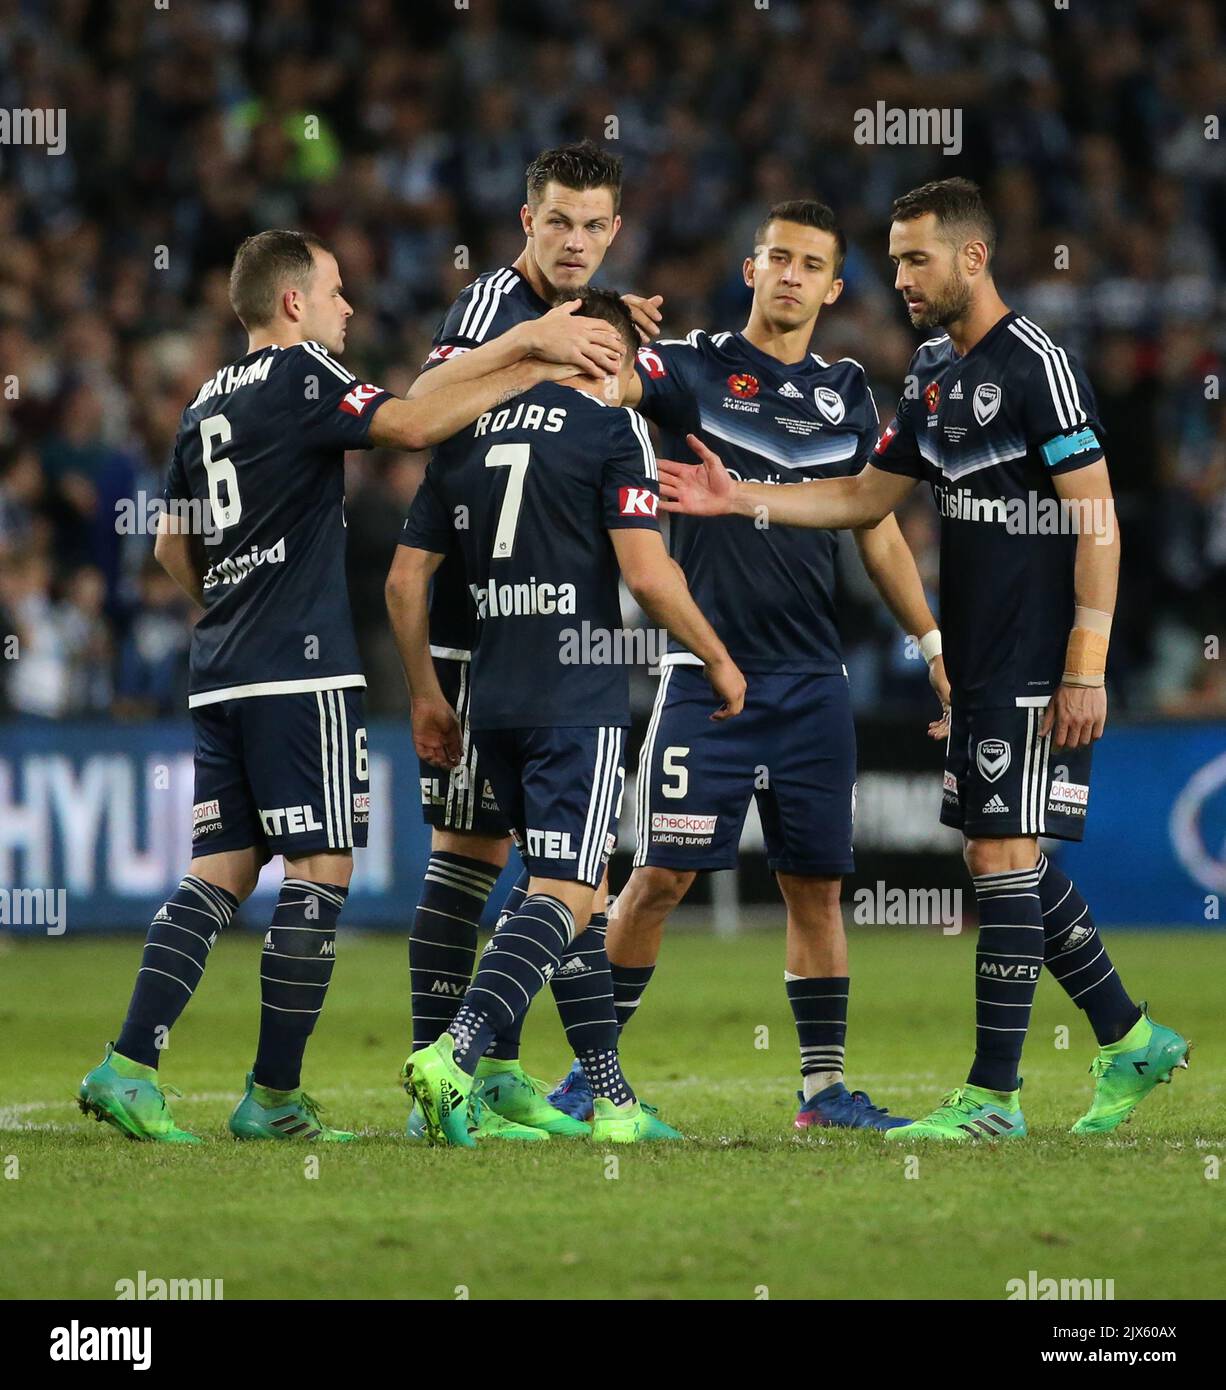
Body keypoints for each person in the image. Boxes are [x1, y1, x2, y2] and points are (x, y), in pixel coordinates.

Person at [656, 179, 1189, 1142]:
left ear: (972, 259)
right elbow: (863, 499)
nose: (897, 277)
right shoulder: (935, 372)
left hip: (1036, 654)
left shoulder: (1036, 365)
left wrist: (1086, 657)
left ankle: (994, 1097)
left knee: (997, 857)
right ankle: (1128, 1035)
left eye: (914, 259)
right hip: (979, 657)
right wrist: (744, 499)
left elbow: (1098, 515)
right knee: (1010, 852)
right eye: (893, 258)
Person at [77, 229, 569, 1143]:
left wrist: (232, 603)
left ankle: (129, 1064)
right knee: (320, 872)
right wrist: (527, 358)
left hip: (220, 671)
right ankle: (272, 1099)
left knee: (218, 871)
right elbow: (417, 424)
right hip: (299, 671)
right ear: (294, 304)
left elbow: (169, 549)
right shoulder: (303, 374)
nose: (349, 307)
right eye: (338, 291)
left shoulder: (202, 404)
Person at [550, 200, 945, 1132]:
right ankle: (588, 1078)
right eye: (778, 258)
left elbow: (875, 525)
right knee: (659, 881)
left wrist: (931, 642)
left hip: (814, 681)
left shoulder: (846, 391)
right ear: (751, 269)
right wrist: (596, 324)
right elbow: (607, 373)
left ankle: (821, 1095)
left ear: (834, 287)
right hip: (707, 675)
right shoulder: (691, 369)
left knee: (816, 886)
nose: (793, 275)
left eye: (812, 263)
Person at [388, 288, 744, 1145]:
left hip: (493, 697)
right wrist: (721, 657)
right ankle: (455, 1054)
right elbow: (650, 576)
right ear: (607, 358)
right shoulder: (612, 429)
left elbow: (404, 583)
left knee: (567, 897)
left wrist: (427, 693)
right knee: (567, 891)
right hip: (575, 699)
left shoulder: (464, 429)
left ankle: (614, 1103)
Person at [397, 139, 668, 1137]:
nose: (576, 241)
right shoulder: (489, 307)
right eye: (558, 220)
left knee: (561, 870)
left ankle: (524, 1076)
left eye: (595, 225)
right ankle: (452, 1079)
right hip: (484, 625)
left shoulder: (585, 312)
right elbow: (417, 413)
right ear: (524, 220)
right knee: (473, 861)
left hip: (535, 624)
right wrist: (534, 345)